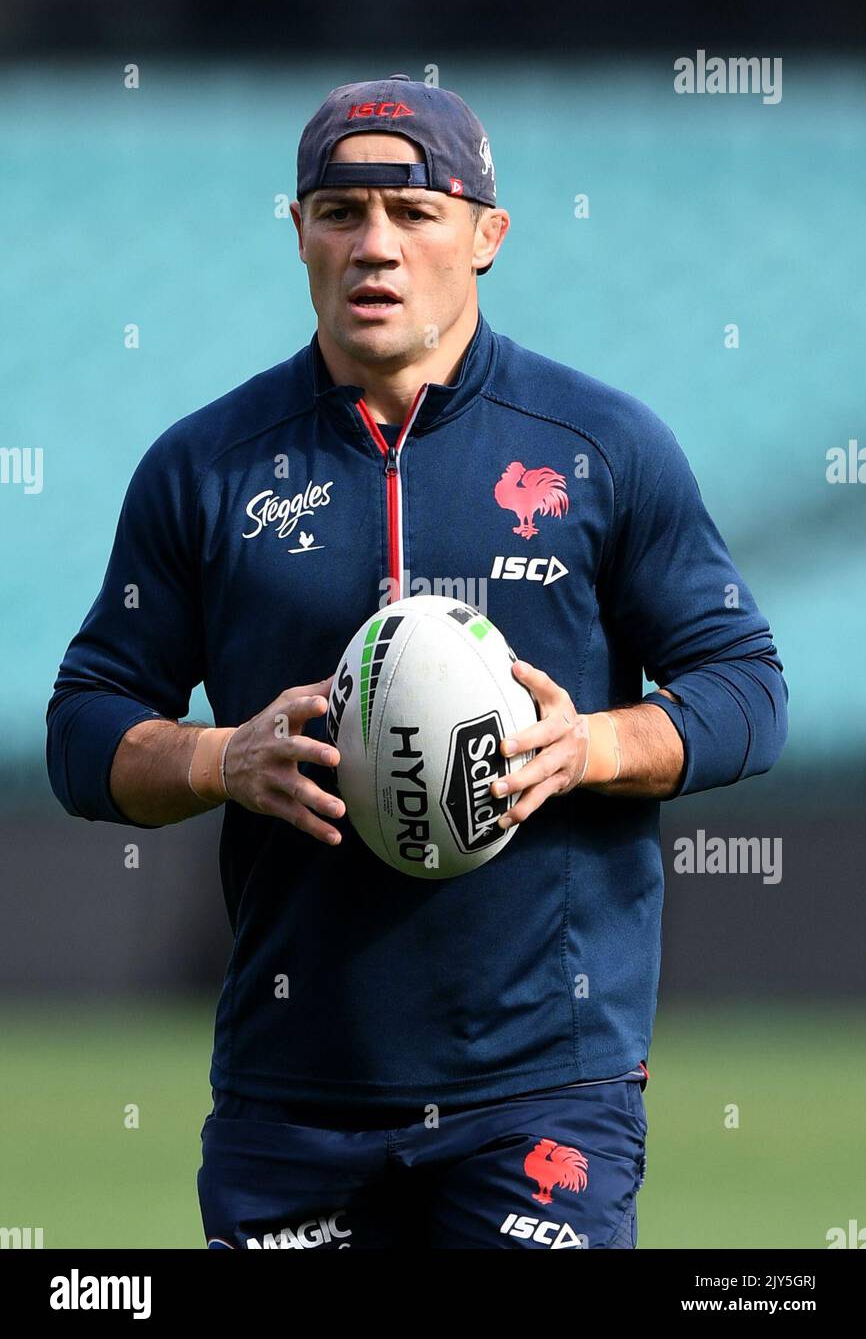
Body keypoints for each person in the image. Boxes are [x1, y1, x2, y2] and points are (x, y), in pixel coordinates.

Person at [46, 74, 788, 1249]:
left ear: (486, 237)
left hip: (543, 1088)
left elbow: (746, 690)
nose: (373, 247)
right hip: (294, 1094)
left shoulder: (601, 449)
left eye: (415, 212)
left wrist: (590, 744)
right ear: (297, 233)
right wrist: (213, 758)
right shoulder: (205, 467)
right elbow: (84, 728)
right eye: (338, 213)